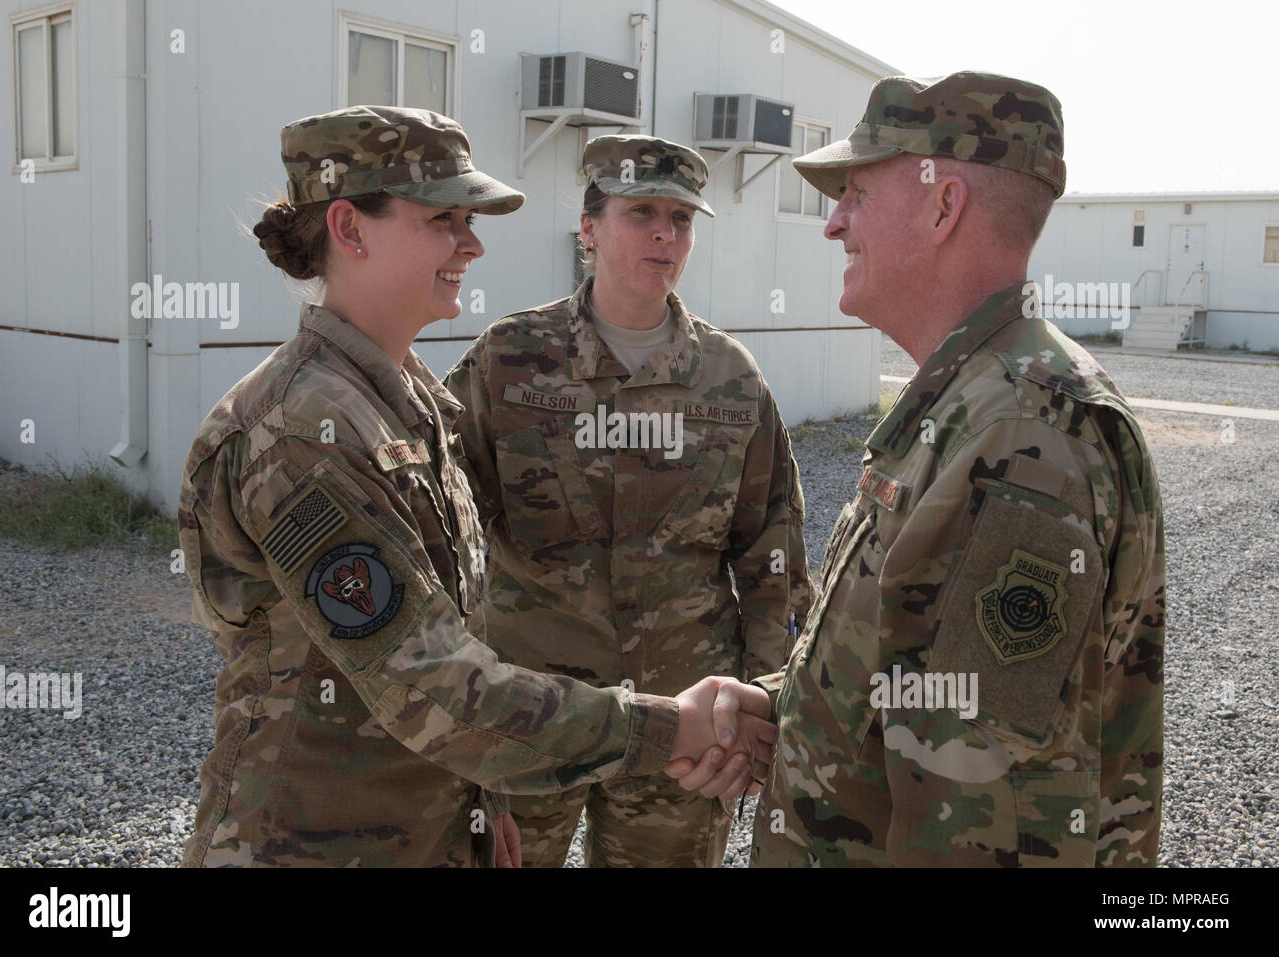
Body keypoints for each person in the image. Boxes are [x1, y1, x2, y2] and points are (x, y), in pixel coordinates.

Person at [178, 106, 772, 868]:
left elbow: (458, 623)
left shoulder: (412, 404)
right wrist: (668, 728)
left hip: (418, 830)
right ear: (350, 230)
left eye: (470, 218)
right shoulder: (304, 431)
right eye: (443, 219)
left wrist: (481, 809)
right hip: (310, 843)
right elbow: (430, 685)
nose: (473, 243)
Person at [667, 71, 1165, 867]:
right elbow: (906, 683)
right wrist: (775, 707)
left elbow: (986, 824)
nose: (834, 224)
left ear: (943, 207)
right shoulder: (969, 405)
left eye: (857, 193)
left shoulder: (1020, 437)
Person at [444, 135, 815, 867]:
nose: (664, 235)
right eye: (641, 211)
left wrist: (761, 700)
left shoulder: (729, 381)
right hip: (534, 714)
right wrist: (457, 700)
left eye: (682, 219)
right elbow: (441, 529)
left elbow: (772, 553)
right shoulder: (511, 360)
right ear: (588, 228)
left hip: (682, 726)